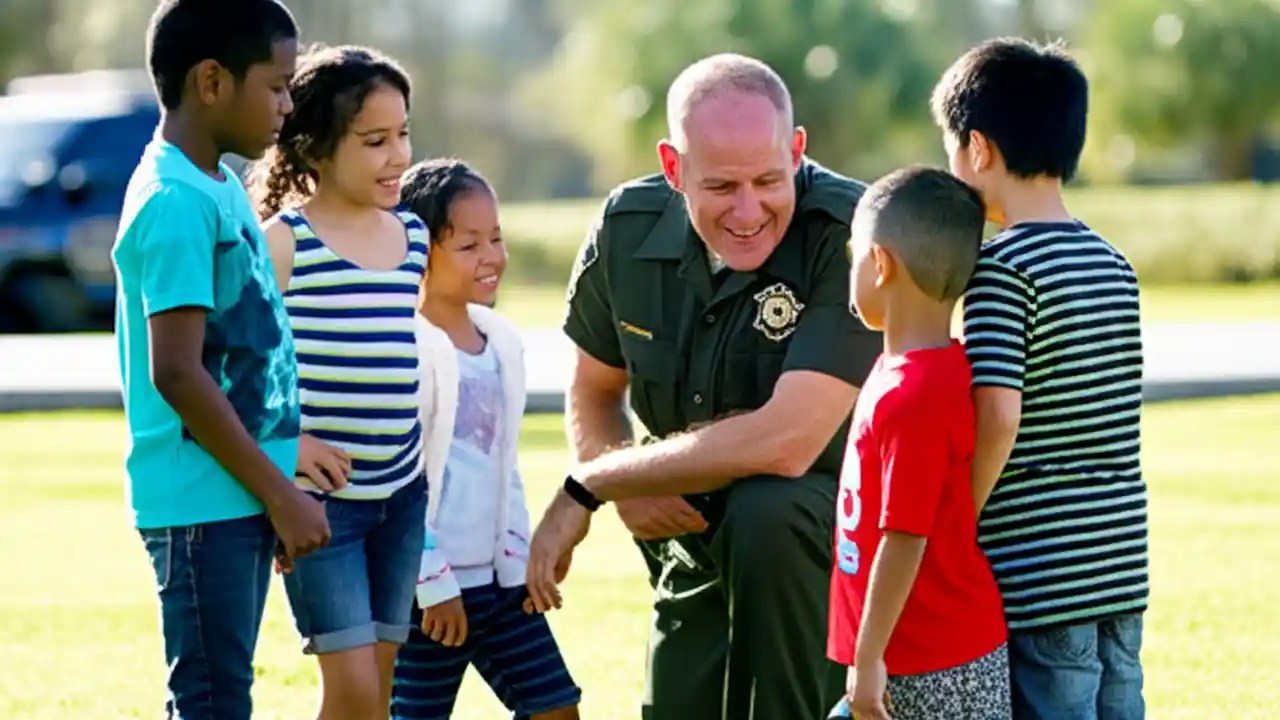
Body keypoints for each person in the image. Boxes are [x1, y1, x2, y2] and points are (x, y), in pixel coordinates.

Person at [525, 53, 882, 720]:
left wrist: (598, 482)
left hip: (826, 556)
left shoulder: (851, 234)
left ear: (797, 149)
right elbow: (595, 390)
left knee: (766, 509)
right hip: (689, 548)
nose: (748, 211)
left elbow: (788, 442)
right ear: (672, 168)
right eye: (720, 187)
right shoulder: (626, 228)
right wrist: (625, 482)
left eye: (770, 180)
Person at [112, 1, 332, 718]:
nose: (287, 103)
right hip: (202, 503)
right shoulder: (175, 198)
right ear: (212, 82)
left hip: (232, 495)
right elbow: (176, 371)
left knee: (221, 693)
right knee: (211, 701)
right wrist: (278, 491)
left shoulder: (215, 185)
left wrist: (275, 476)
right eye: (275, 85)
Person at [933, 38, 1148, 719]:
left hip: (1039, 561)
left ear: (979, 148)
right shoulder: (1113, 263)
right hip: (1118, 550)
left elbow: (998, 414)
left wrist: (958, 517)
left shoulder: (1001, 271)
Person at [248, 44, 427, 720]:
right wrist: (284, 454)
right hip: (325, 506)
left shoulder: (412, 237)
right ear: (317, 148)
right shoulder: (283, 242)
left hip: (402, 497)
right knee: (349, 691)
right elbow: (237, 370)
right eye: (375, 140)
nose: (398, 155)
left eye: (403, 133)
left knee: (376, 696)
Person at [389, 159, 582, 720]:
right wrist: (430, 582)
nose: (493, 256)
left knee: (556, 708)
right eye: (469, 245)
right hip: (426, 596)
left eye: (495, 238)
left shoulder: (500, 342)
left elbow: (503, 466)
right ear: (420, 251)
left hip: (501, 588)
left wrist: (521, 562)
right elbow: (399, 483)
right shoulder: (406, 349)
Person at [824, 166, 1010, 720]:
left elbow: (905, 537)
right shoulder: (906, 370)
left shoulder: (915, 394)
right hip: (908, 655)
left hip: (933, 665)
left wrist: (869, 655)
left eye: (853, 256)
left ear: (880, 264)